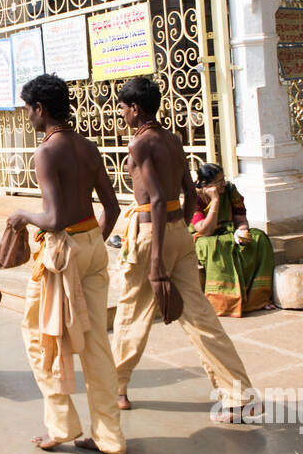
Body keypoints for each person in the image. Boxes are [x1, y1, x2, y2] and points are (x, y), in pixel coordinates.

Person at [110, 77, 256, 419]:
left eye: (123, 108)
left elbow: (158, 198)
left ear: (134, 108)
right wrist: (185, 229)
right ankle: (237, 392)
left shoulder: (140, 144)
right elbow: (190, 193)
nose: (121, 115)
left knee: (131, 315)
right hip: (177, 231)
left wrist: (158, 258)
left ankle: (115, 388)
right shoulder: (172, 139)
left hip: (151, 235)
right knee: (201, 317)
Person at [6, 74, 126, 454]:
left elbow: (54, 218)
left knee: (41, 338)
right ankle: (110, 437)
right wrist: (92, 243)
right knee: (95, 345)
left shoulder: (46, 151)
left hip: (62, 253)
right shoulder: (87, 147)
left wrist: (22, 214)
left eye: (27, 109)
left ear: (40, 109)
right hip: (92, 244)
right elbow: (112, 207)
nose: (27, 117)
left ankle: (61, 426)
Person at [189, 163, 275, 317]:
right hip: (203, 238)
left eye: (223, 179)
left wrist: (242, 231)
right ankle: (223, 303)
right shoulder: (194, 197)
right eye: (218, 182)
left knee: (260, 238)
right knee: (218, 246)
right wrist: (215, 200)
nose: (223, 184)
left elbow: (241, 219)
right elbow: (205, 230)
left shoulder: (230, 190)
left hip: (229, 232)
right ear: (205, 185)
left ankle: (257, 299)